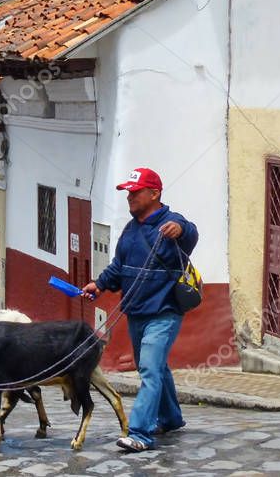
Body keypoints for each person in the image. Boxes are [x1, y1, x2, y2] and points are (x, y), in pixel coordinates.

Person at [81, 167, 198, 453]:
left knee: (148, 370)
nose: (130, 197)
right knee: (156, 367)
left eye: (135, 192)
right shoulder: (131, 230)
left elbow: (191, 233)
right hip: (136, 313)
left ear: (154, 193)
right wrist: (99, 284)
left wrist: (180, 230)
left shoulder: (172, 223)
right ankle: (170, 417)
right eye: (128, 193)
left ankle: (140, 433)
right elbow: (119, 267)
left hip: (164, 312)